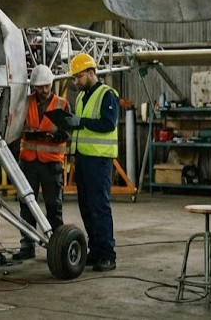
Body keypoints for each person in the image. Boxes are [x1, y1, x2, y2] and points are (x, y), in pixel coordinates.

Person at [66, 53, 119, 272]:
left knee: (99, 207)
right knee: (86, 208)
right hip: (82, 158)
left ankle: (108, 254)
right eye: (75, 78)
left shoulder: (108, 95)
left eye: (79, 77)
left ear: (91, 73)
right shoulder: (80, 98)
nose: (76, 82)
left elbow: (108, 124)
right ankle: (96, 250)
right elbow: (83, 127)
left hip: (99, 160)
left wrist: (82, 122)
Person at [12, 65, 70, 261]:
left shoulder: (62, 104)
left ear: (51, 84)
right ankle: (27, 246)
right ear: (34, 87)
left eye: (46, 87)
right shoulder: (26, 103)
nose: (44, 91)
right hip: (29, 164)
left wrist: (54, 136)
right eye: (39, 87)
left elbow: (68, 133)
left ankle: (57, 247)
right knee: (27, 207)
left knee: (54, 207)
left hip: (51, 165)